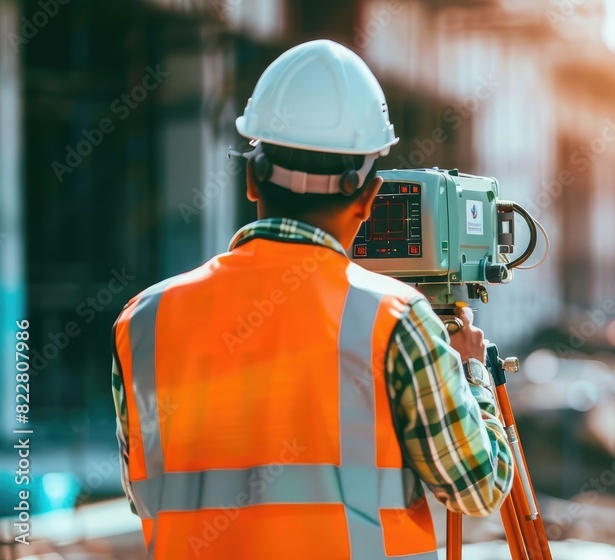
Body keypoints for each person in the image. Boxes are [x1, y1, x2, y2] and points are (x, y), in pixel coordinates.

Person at [111, 39, 513, 559]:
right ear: (368, 198)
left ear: (251, 179)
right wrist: (471, 371)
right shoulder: (397, 321)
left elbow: (143, 495)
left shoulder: (146, 319)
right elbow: (479, 488)